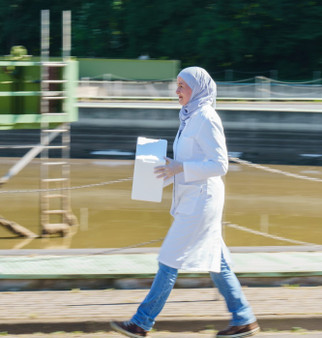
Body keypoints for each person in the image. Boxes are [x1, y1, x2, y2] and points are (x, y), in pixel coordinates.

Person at [110, 67, 259, 338]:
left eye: (182, 85)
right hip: (195, 198)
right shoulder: (189, 118)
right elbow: (184, 165)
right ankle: (244, 318)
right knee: (218, 262)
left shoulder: (206, 117)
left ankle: (141, 323)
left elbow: (220, 164)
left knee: (169, 259)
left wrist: (179, 168)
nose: (177, 90)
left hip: (203, 201)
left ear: (198, 88)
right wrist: (160, 174)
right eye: (176, 85)